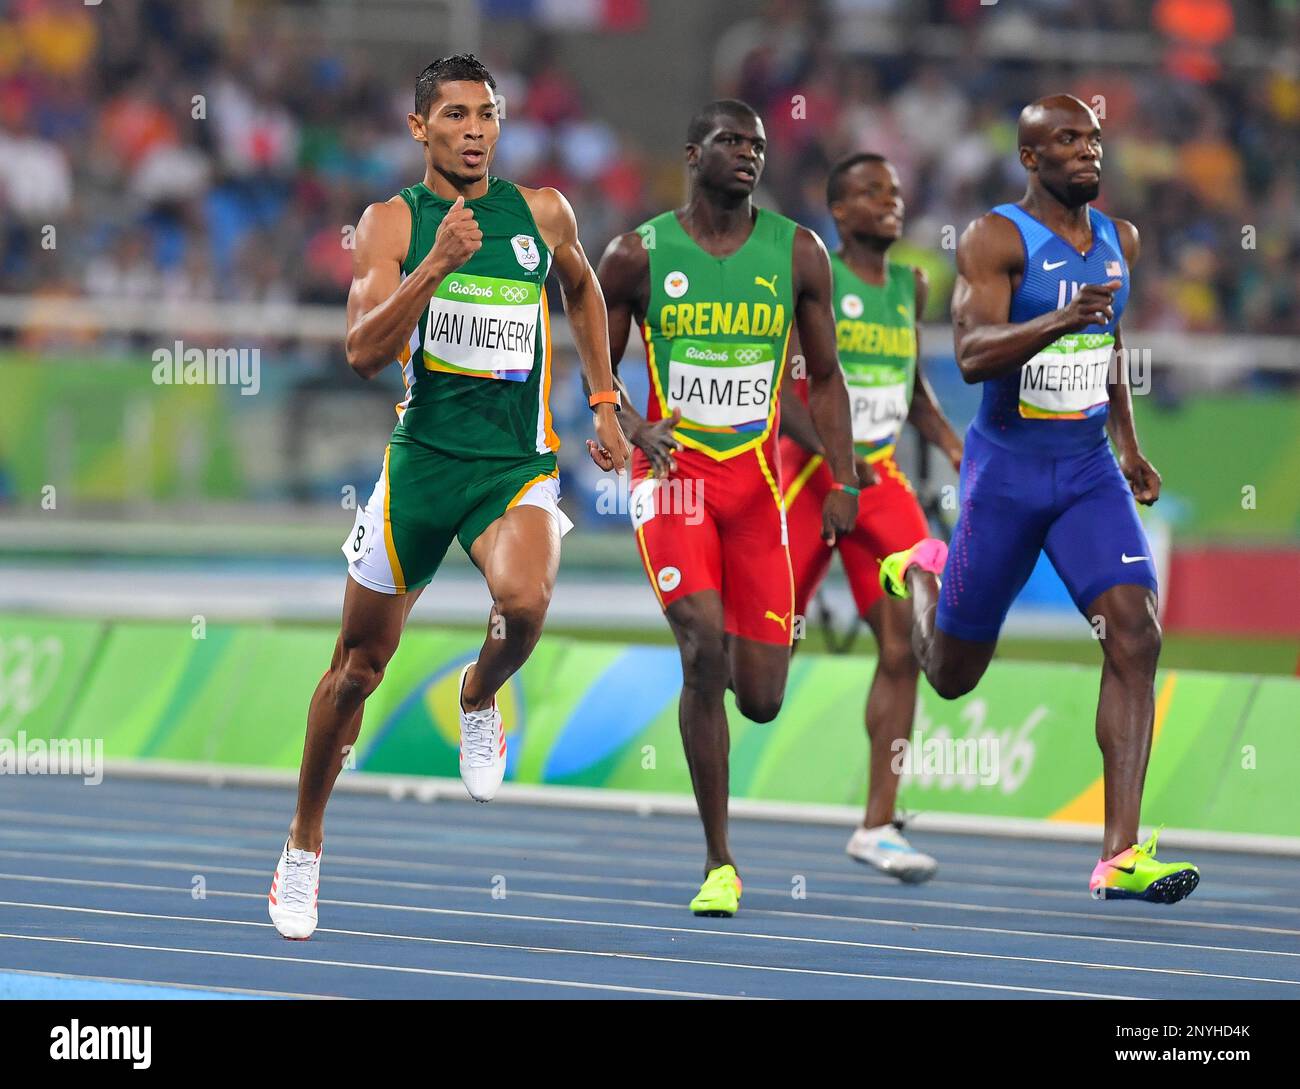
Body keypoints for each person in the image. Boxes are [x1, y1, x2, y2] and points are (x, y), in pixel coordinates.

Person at [269, 54, 630, 940]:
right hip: (422, 468)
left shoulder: (541, 213)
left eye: (487, 114)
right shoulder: (391, 222)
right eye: (456, 115)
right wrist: (433, 264)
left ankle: (478, 692)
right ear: (418, 128)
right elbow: (361, 351)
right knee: (356, 668)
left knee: (527, 603)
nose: (474, 130)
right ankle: (304, 844)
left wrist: (605, 397)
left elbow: (582, 290)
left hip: (514, 464)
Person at [878, 95, 1198, 903]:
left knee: (1137, 634)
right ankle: (922, 572)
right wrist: (1057, 320)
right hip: (1008, 475)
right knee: (951, 675)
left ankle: (1119, 852)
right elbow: (972, 352)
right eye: (1067, 140)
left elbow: (1109, 340)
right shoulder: (994, 238)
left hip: (1087, 470)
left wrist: (1128, 446)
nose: (1088, 152)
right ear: (1029, 158)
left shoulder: (1120, 240)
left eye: (1093, 138)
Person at [598, 99, 858, 917]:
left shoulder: (800, 253)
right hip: (673, 475)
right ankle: (719, 860)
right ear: (691, 151)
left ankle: (722, 830)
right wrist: (634, 426)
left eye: (758, 144)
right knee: (700, 646)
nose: (749, 154)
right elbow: (597, 376)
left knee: (762, 696)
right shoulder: (636, 256)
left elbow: (825, 378)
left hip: (756, 489)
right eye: (731, 142)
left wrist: (845, 480)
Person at [778, 153, 962, 882]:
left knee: (909, 639)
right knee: (755, 665)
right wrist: (838, 463)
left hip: (878, 479)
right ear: (838, 211)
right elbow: (787, 391)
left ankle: (878, 823)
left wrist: (952, 443)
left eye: (893, 188)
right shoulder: (814, 275)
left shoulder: (912, 286)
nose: (888, 200)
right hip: (806, 474)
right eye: (868, 192)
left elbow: (909, 386)